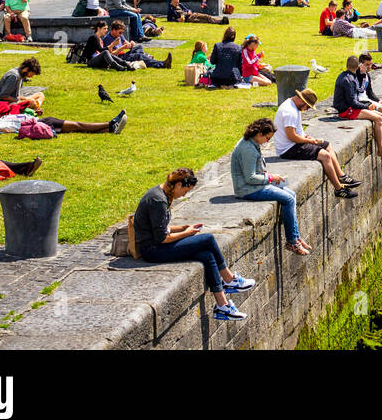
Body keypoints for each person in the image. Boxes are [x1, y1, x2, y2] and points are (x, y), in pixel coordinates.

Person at [134, 168, 255, 321]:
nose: (184, 194)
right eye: (185, 190)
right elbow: (161, 238)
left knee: (206, 255)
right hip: (152, 250)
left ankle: (222, 306)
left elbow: (160, 227)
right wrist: (187, 233)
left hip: (156, 245)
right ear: (178, 184)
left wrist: (183, 227)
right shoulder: (158, 200)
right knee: (208, 239)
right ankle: (230, 280)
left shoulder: (161, 194)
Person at [231, 119, 309, 254]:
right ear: (259, 133)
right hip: (248, 189)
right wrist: (271, 178)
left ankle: (296, 236)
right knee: (288, 199)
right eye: (267, 138)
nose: (267, 141)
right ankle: (292, 242)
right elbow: (250, 178)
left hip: (255, 185)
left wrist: (271, 176)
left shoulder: (251, 143)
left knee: (292, 194)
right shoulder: (248, 149)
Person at [272, 88, 360, 198]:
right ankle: (339, 189)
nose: (307, 109)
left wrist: (307, 137)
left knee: (327, 145)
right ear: (302, 101)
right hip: (288, 148)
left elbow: (298, 131)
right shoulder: (289, 112)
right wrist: (309, 141)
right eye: (307, 106)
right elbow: (292, 136)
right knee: (325, 156)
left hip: (294, 143)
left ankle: (342, 176)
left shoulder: (293, 106)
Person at [333, 56, 382, 159]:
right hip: (346, 110)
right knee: (379, 118)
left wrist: (369, 106)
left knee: (380, 116)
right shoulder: (350, 79)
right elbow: (352, 102)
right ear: (358, 66)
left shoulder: (347, 75)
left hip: (349, 107)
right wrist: (367, 107)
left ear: (347, 65)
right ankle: (381, 149)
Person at [0, 100, 127, 136]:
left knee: (77, 127)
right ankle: (110, 123)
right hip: (41, 125)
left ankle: (109, 129)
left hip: (42, 121)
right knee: (77, 125)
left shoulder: (4, 117)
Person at [107, 20, 172, 68]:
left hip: (124, 54)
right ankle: (162, 64)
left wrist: (131, 44)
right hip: (119, 58)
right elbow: (111, 55)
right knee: (139, 56)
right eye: (120, 32)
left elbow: (126, 43)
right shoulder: (108, 39)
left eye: (122, 33)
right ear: (113, 30)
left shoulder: (119, 35)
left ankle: (146, 59)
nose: (121, 34)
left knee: (139, 47)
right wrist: (122, 48)